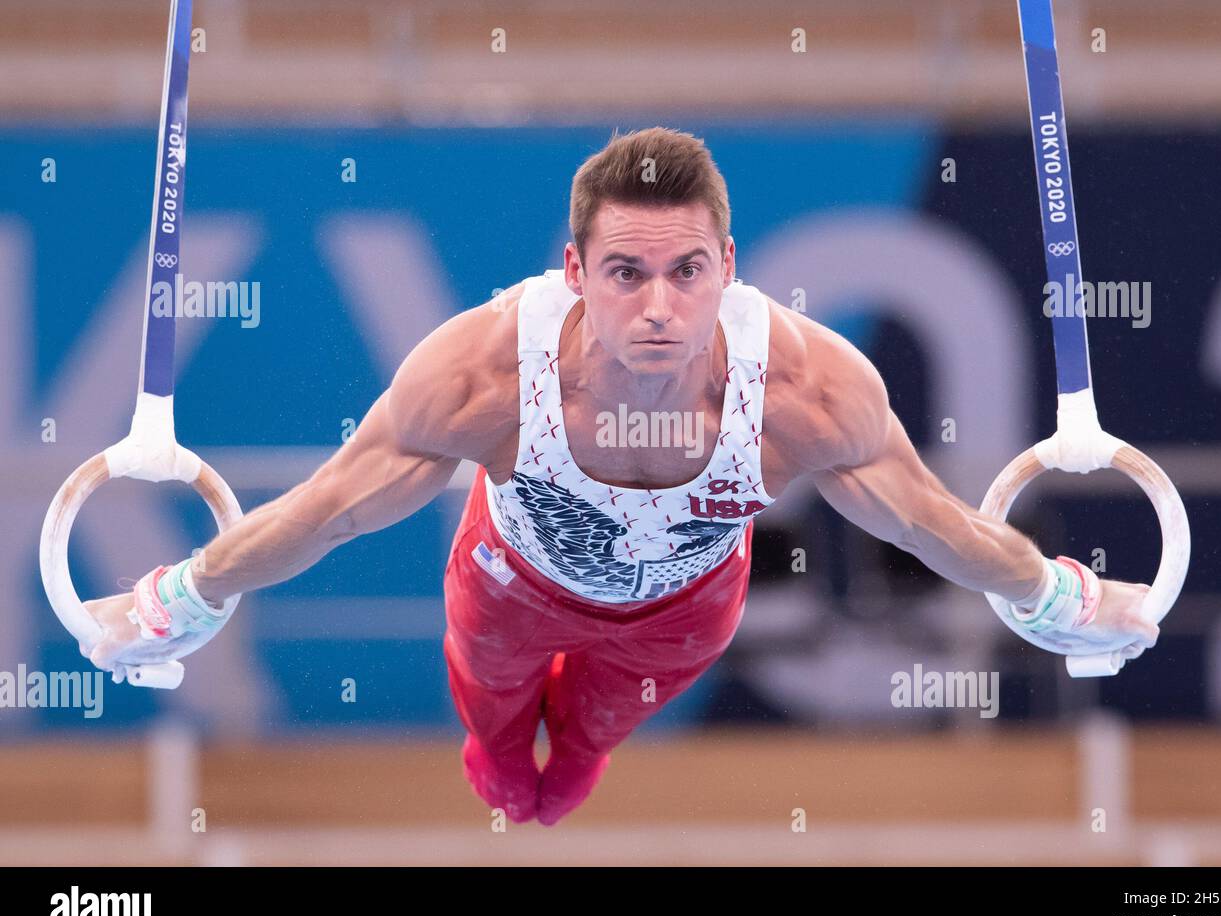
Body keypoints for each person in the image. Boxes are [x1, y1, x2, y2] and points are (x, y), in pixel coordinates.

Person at [85, 127, 1158, 826]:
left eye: (687, 271)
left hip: (684, 612)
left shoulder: (806, 389)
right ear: (572, 272)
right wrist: (183, 590)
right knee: (503, 752)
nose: (658, 306)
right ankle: (508, 759)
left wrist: (1054, 591)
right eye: (626, 272)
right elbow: (327, 511)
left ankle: (577, 748)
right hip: (509, 584)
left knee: (585, 745)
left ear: (728, 268)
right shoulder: (484, 376)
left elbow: (930, 523)